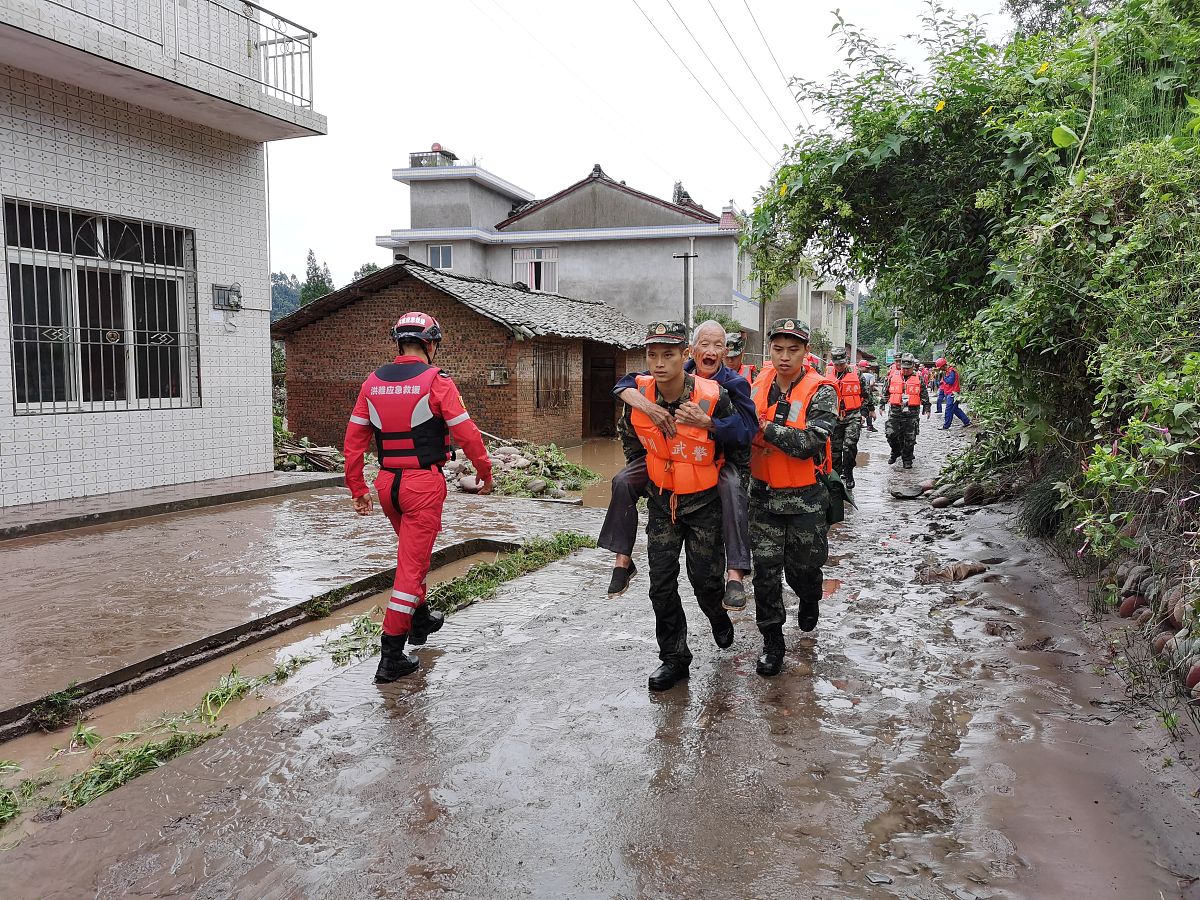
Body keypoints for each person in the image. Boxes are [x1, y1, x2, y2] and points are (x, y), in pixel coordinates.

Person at [343, 312, 494, 683]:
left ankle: (421, 619)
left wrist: (358, 488)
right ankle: (391, 655)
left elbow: (353, 441)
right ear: (430, 343)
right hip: (421, 486)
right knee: (411, 570)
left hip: (387, 486)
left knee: (413, 555)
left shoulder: (371, 383)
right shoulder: (436, 381)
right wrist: (484, 472)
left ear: (399, 342)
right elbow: (467, 434)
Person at [617, 321, 741, 691]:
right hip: (662, 504)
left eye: (668, 354)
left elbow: (737, 451)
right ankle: (674, 657)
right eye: (652, 355)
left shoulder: (714, 396)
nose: (659, 363)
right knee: (661, 585)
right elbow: (632, 445)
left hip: (704, 505)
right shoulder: (637, 396)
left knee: (705, 581)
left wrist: (733, 493)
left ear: (684, 355)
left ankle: (717, 615)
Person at [600, 320, 756, 610]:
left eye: (717, 345)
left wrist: (708, 423)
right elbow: (624, 384)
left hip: (713, 460)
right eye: (704, 345)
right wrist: (649, 407)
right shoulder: (675, 372)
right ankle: (622, 560)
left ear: (725, 351)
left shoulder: (732, 385)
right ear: (692, 351)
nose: (710, 351)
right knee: (622, 480)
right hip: (668, 460)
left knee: (733, 486)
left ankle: (735, 572)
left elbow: (747, 431)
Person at [749, 318, 838, 677]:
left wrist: (764, 427)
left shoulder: (823, 391)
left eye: (793, 349)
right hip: (764, 497)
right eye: (778, 349)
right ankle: (772, 643)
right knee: (765, 574)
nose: (784, 357)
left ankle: (810, 595)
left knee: (803, 568)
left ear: (805, 352)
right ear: (770, 349)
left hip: (805, 498)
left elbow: (808, 445)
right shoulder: (758, 385)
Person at [882, 352, 931, 469]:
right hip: (895, 410)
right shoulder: (893, 376)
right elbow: (886, 391)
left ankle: (907, 459)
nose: (905, 370)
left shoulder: (918, 377)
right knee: (891, 434)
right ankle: (896, 451)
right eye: (903, 368)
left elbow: (924, 393)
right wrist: (882, 404)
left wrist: (927, 407)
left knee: (909, 437)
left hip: (911, 412)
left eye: (908, 368)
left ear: (913, 367)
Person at [824, 347, 865, 489]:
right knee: (834, 450)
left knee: (849, 446)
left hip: (852, 415)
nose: (839, 366)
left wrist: (867, 411)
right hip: (834, 416)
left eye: (842, 363)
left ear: (846, 361)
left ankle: (849, 473)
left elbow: (865, 393)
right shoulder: (827, 375)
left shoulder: (857, 373)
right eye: (837, 364)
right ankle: (836, 478)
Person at [937, 356, 972, 429]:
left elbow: (950, 381)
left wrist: (944, 378)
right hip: (950, 393)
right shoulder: (948, 371)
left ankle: (946, 426)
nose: (940, 369)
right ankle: (967, 421)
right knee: (955, 409)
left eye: (940, 368)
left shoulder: (951, 371)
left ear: (943, 366)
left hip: (953, 393)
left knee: (948, 410)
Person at [858, 360, 878, 432]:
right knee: (867, 409)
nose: (868, 369)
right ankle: (869, 426)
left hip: (856, 398)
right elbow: (872, 384)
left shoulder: (853, 374)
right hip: (866, 395)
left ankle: (859, 424)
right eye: (866, 367)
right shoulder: (870, 375)